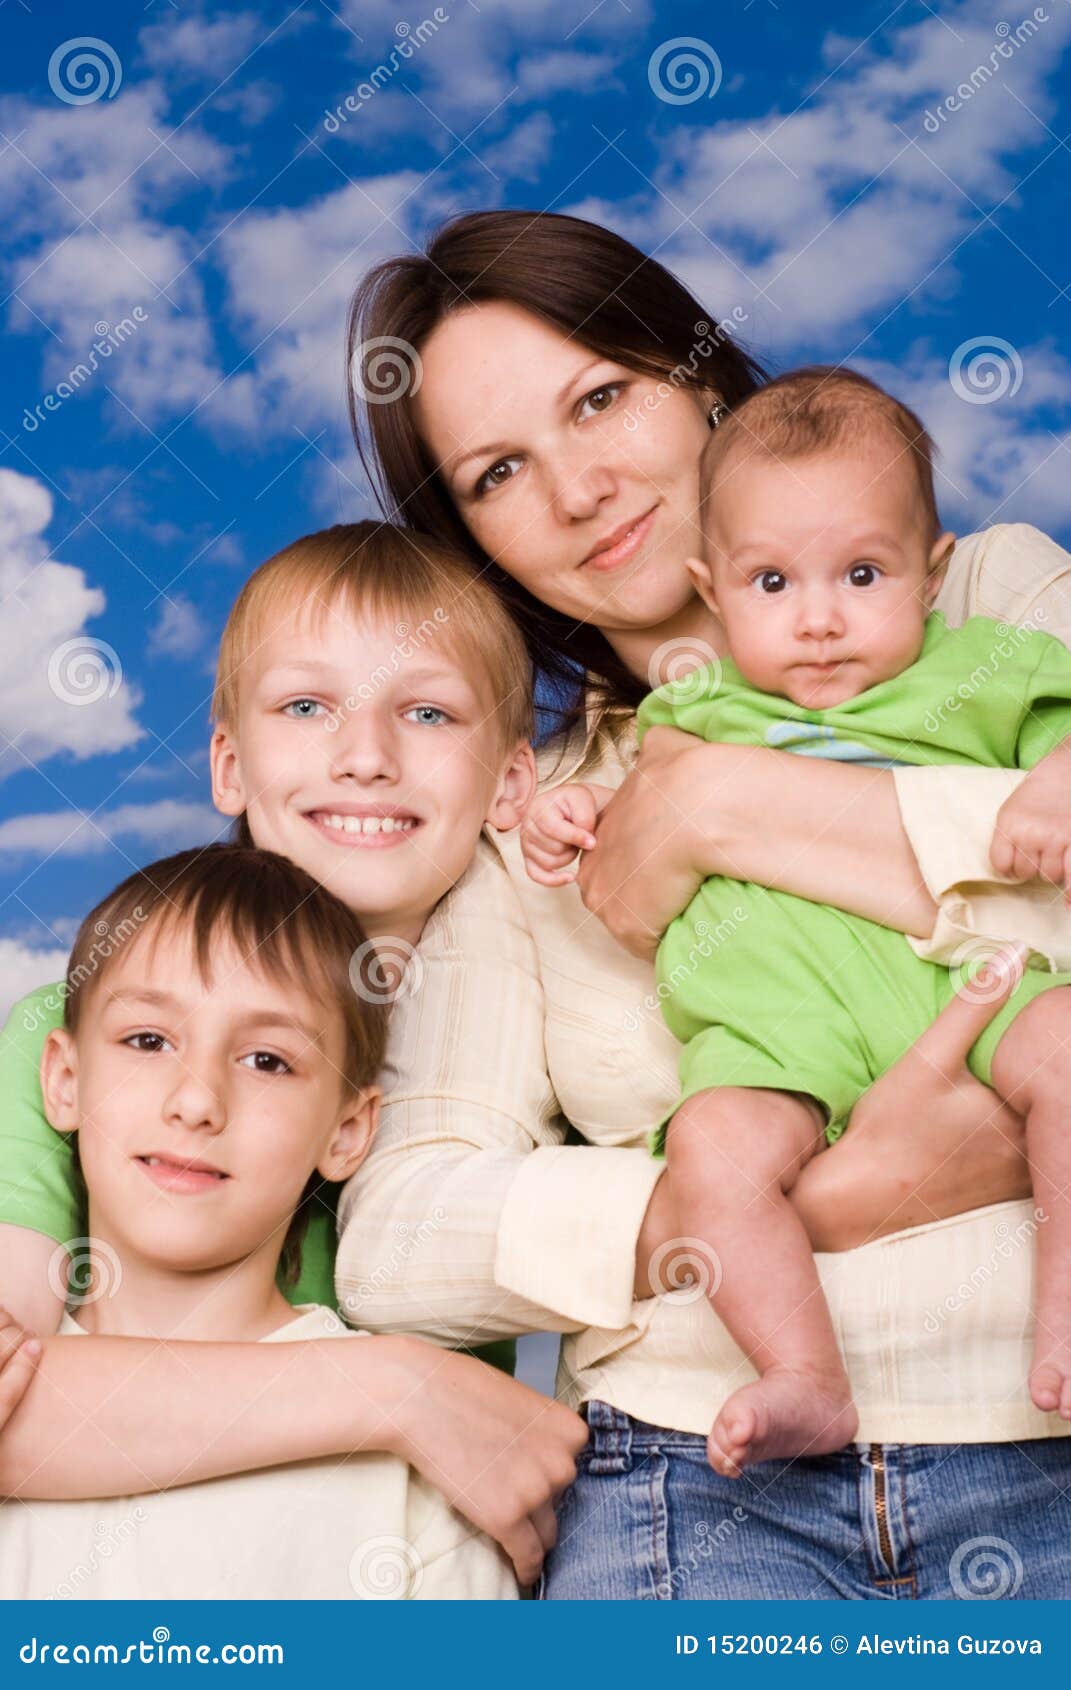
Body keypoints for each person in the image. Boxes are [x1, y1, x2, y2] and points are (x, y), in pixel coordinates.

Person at [337, 209, 1071, 1599]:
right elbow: (398, 1235)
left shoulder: (986, 598)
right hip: (691, 1477)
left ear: (700, 376)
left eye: (600, 397)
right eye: (499, 471)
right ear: (476, 540)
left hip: (1040, 1430)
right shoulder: (533, 813)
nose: (576, 488)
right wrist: (802, 1202)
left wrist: (716, 809)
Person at [0, 520, 584, 1589]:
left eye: (427, 711)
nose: (365, 754)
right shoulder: (75, 1019)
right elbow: (9, 1406)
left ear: (511, 784)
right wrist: (398, 1387)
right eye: (307, 705)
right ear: (229, 759)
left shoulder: (553, 1055)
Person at [519, 366, 1071, 1479]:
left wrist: (1056, 778)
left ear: (934, 573)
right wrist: (570, 813)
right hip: (777, 1021)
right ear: (714, 592)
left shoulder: (987, 669)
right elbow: (634, 840)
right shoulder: (698, 708)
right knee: (716, 1154)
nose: (817, 619)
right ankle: (804, 1378)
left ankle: (1064, 1303)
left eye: (861, 573)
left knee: (1068, 1052)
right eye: (772, 582)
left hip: (963, 987)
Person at [1, 844, 516, 1601]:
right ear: (65, 1080)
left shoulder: (424, 1473)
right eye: (148, 1041)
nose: (197, 1101)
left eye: (267, 1061)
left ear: (347, 1131)